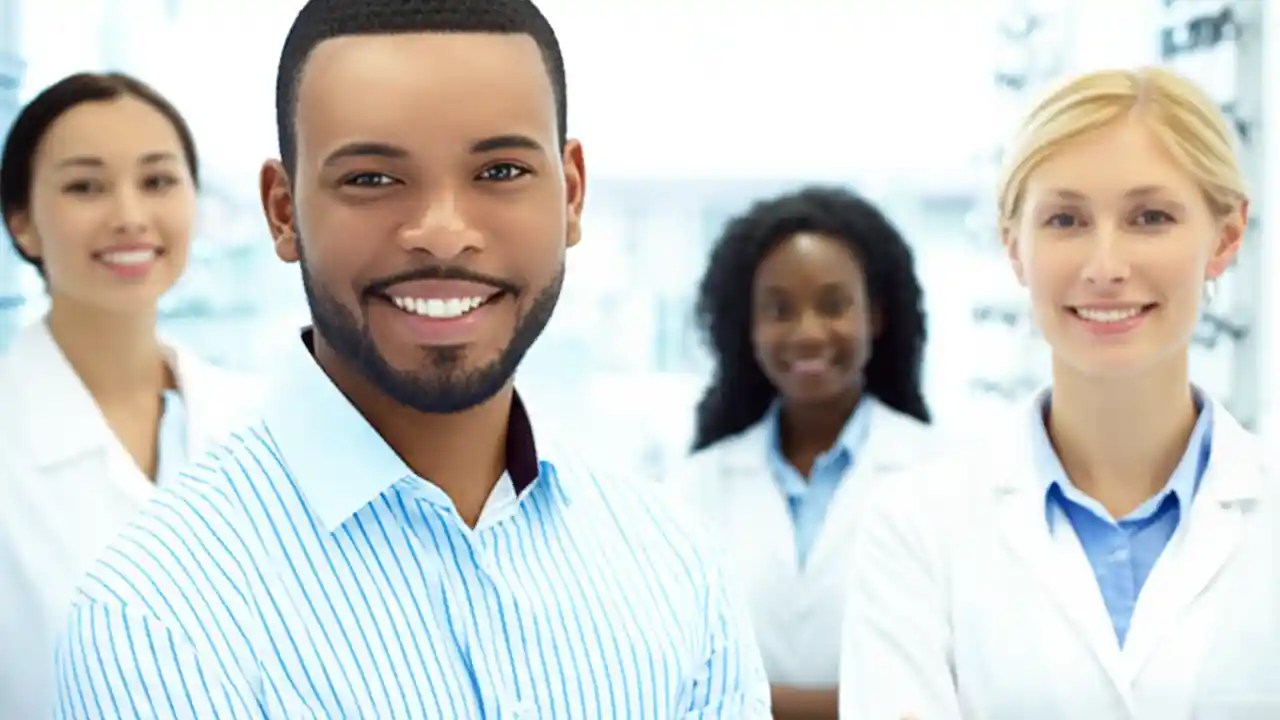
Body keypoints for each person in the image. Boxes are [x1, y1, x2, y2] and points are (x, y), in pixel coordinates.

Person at [51, 1, 771, 718]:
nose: (444, 234)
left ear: (572, 193)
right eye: (371, 179)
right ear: (282, 211)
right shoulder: (159, 616)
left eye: (500, 171)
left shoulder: (675, 566)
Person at [839, 67, 1280, 719]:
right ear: (1013, 243)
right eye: (1066, 219)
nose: (1105, 266)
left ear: (1226, 237)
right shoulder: (916, 527)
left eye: (1150, 217)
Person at [0, 72, 256, 720]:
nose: (130, 216)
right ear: (22, 223)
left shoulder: (260, 426)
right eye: (85, 186)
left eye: (158, 181)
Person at [666, 186, 935, 719]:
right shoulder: (691, 488)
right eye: (779, 310)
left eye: (834, 305)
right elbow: (676, 680)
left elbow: (954, 683)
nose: (808, 333)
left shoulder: (944, 473)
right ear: (747, 327)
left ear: (876, 316)